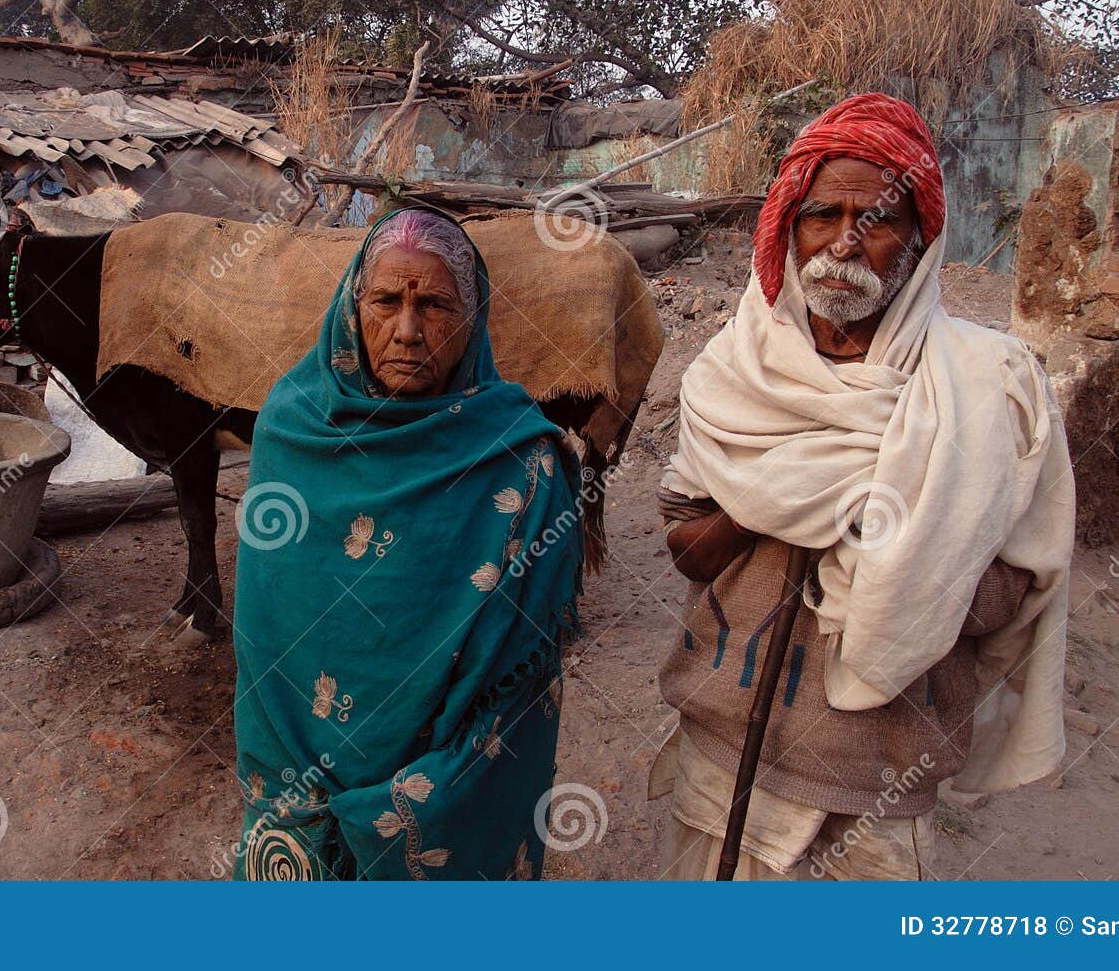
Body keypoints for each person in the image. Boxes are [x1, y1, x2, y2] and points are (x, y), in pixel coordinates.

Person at [651, 93, 1076, 880]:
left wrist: (911, 563)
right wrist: (795, 490)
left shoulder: (992, 385)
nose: (844, 241)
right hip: (722, 746)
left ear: (919, 239)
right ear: (788, 227)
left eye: (876, 220)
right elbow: (687, 550)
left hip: (882, 773)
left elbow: (1017, 584)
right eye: (822, 215)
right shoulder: (729, 376)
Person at [231, 207, 584, 880]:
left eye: (436, 305)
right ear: (351, 305)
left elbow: (518, 677)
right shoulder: (292, 429)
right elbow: (264, 633)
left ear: (473, 318)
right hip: (302, 771)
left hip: (450, 779)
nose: (407, 330)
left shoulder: (520, 458)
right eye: (386, 301)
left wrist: (412, 796)